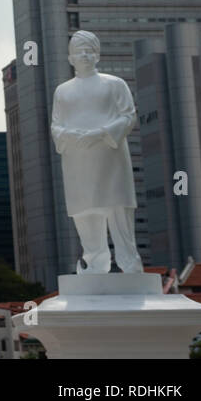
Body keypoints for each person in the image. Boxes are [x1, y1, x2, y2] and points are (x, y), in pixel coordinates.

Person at [50, 30, 143, 274]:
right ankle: (94, 263)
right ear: (70, 58)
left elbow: (128, 116)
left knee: (118, 209)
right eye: (78, 50)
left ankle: (129, 263)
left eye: (88, 50)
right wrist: (68, 135)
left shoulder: (114, 84)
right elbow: (56, 124)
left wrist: (101, 134)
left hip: (110, 156)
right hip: (77, 160)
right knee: (85, 211)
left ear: (98, 55)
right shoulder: (62, 91)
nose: (83, 55)